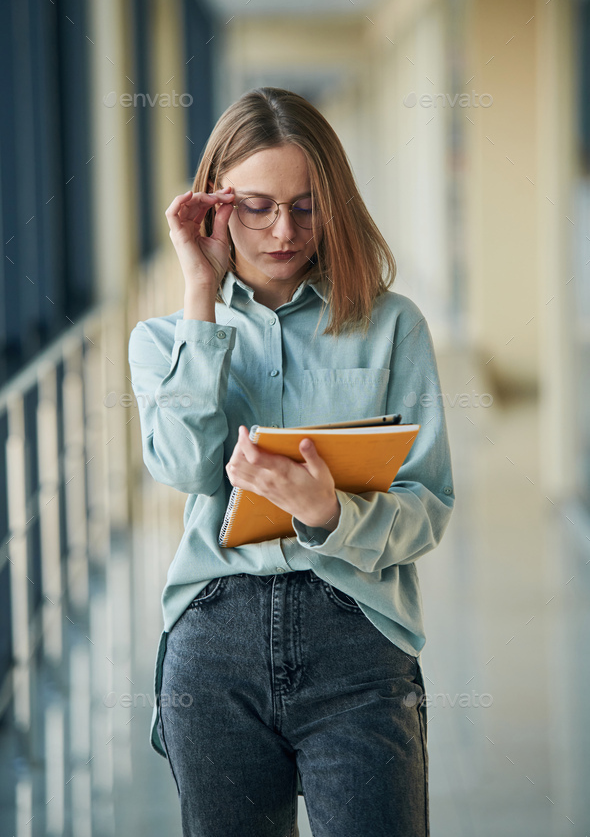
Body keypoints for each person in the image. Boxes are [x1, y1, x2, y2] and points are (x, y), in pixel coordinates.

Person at [128, 86, 455, 837]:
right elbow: (183, 467)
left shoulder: (393, 326)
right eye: (256, 206)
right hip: (215, 643)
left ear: (333, 204)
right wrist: (200, 292)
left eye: (306, 206)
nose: (283, 230)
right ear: (216, 206)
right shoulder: (166, 339)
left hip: (361, 640)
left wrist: (330, 513)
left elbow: (429, 506)